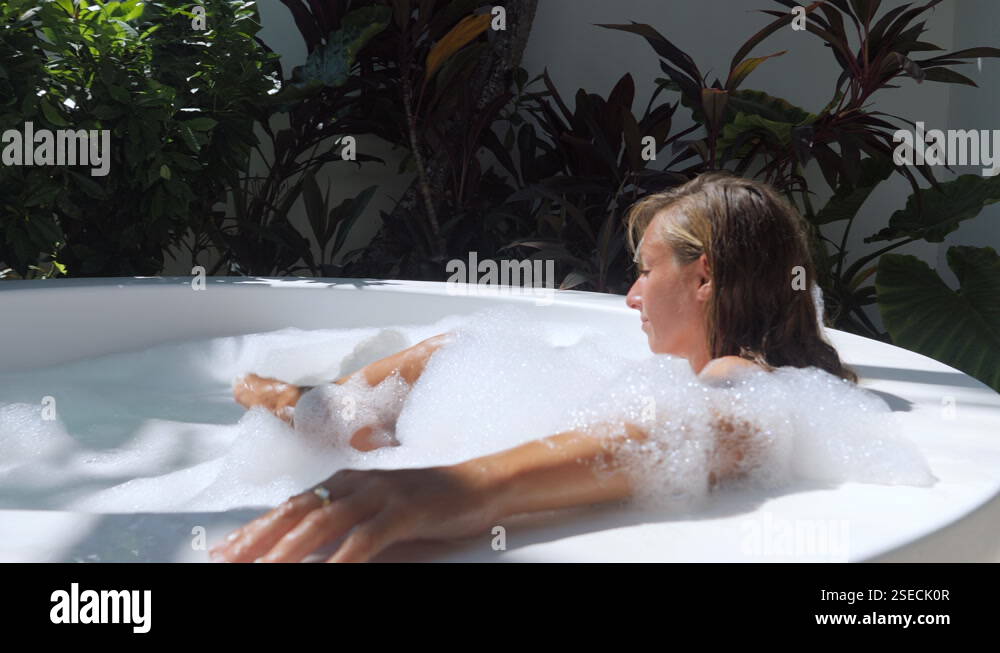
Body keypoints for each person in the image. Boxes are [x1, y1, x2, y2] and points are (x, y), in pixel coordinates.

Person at [209, 171, 857, 563]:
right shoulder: (769, 376)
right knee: (435, 362)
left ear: (704, 277)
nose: (631, 296)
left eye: (644, 270)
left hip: (460, 446)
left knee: (425, 367)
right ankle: (297, 400)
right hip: (455, 419)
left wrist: (460, 489)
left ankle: (285, 397)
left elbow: (714, 422)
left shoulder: (742, 379)